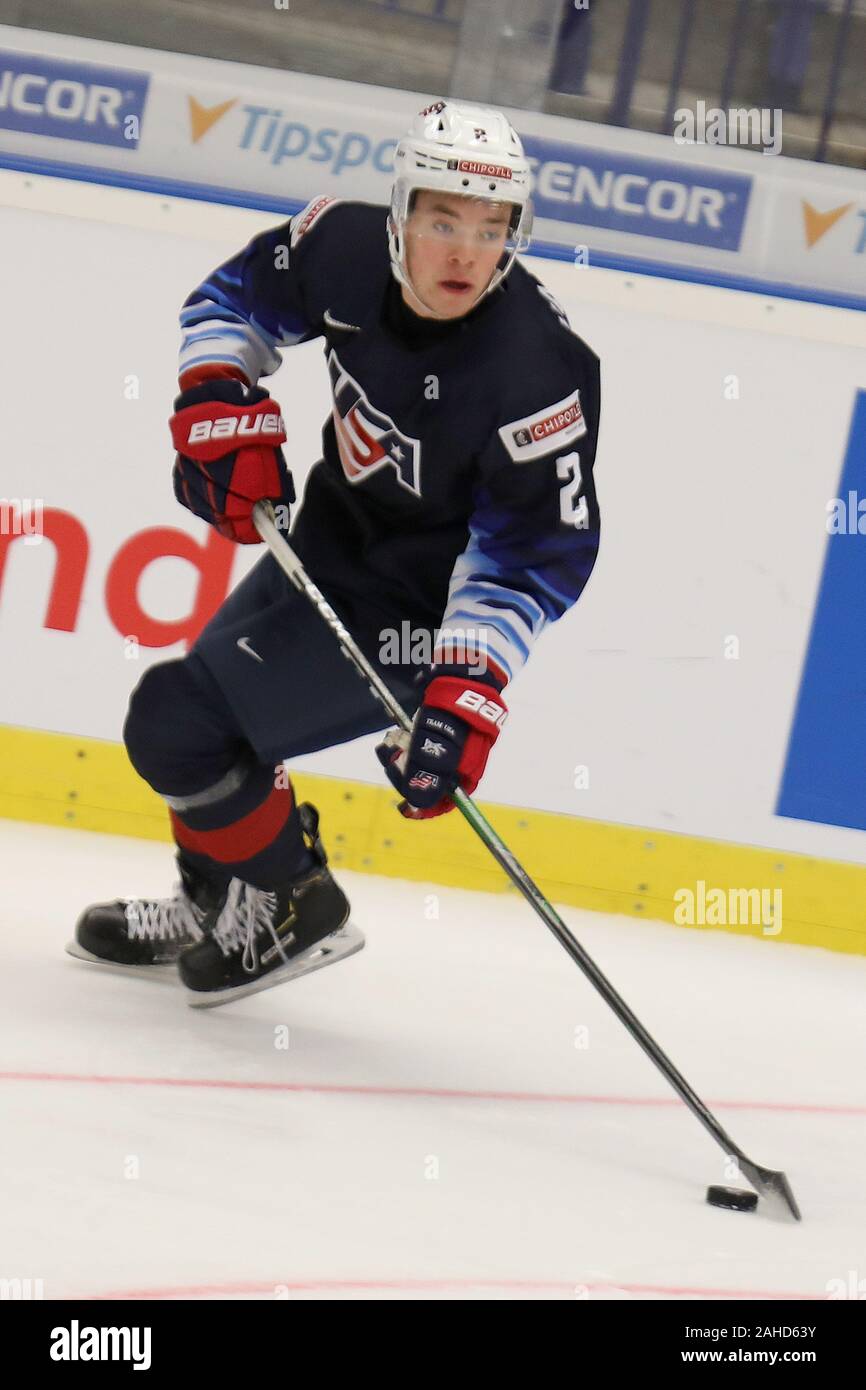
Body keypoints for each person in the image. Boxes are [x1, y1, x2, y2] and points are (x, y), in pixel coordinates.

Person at [68, 99, 602, 1008]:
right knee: (204, 721)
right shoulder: (343, 248)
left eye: (491, 226)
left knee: (178, 722)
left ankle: (294, 902)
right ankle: (216, 900)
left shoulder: (537, 374)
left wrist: (464, 689)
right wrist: (216, 398)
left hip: (410, 621)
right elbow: (231, 300)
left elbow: (529, 558)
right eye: (443, 220)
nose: (466, 253)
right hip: (323, 545)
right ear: (400, 212)